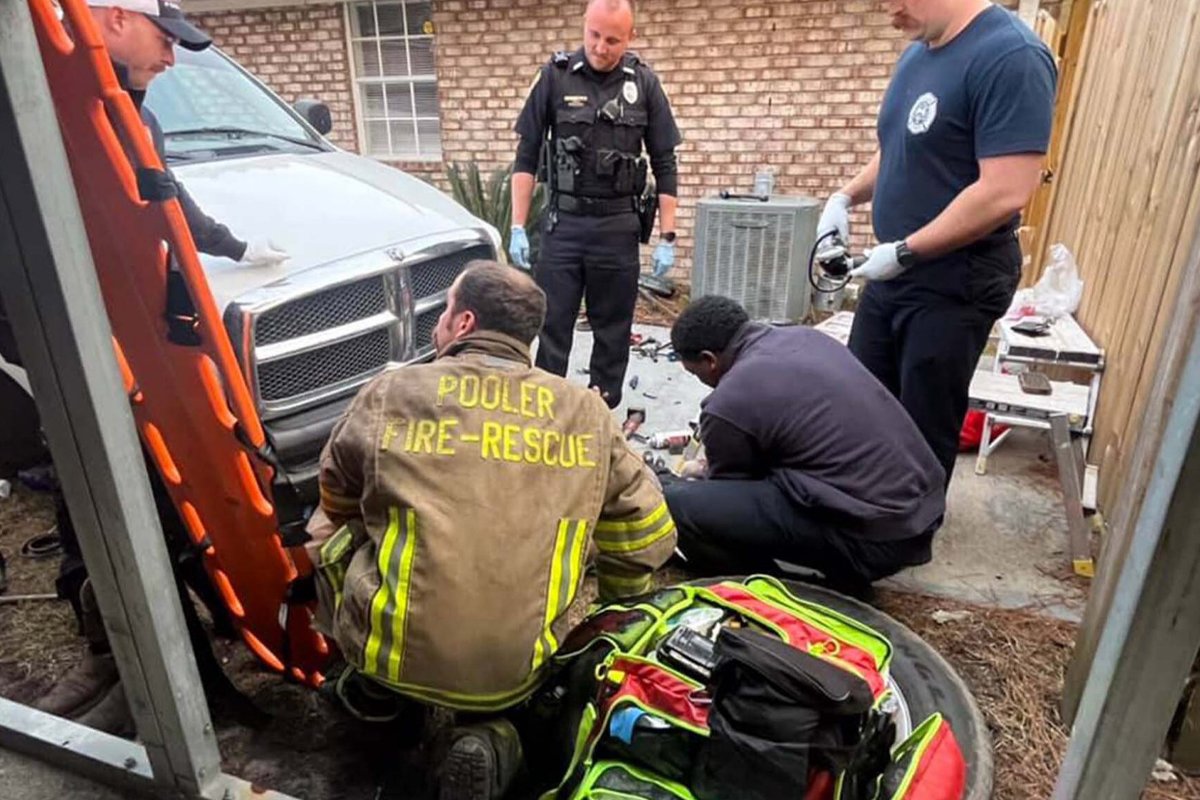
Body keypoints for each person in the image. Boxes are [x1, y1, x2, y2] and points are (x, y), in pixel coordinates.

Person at [309, 261, 676, 800]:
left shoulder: (392, 391)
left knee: (328, 532)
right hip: (516, 667)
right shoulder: (586, 412)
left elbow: (337, 496)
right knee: (508, 686)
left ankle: (376, 700)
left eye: (443, 312)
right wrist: (609, 624)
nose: (439, 325)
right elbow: (645, 529)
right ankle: (496, 736)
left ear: (463, 323)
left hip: (392, 653)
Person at [30, 0, 285, 735]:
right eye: (163, 41)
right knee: (89, 491)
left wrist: (235, 246)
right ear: (114, 19)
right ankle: (110, 652)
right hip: (69, 340)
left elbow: (163, 198)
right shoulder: (45, 104)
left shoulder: (130, 111)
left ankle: (188, 634)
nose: (172, 60)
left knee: (160, 488)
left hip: (137, 348)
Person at [817, 0, 1057, 486]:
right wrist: (844, 197)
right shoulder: (918, 53)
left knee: (921, 428)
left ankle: (912, 522)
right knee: (861, 404)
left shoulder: (1011, 57)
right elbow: (899, 146)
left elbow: (1006, 190)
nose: (887, 10)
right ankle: (860, 507)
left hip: (956, 279)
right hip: (896, 272)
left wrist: (908, 250)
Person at [663, 295, 945, 596]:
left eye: (695, 373)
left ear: (709, 360)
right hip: (920, 513)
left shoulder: (728, 401)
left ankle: (776, 592)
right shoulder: (806, 338)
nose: (701, 380)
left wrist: (685, 483)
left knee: (675, 503)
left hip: (874, 538)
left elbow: (727, 494)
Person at [509, 0, 681, 409]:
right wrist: (517, 226)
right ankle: (546, 412)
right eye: (594, 35)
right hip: (564, 226)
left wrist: (668, 236)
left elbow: (665, 163)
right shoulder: (554, 76)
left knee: (613, 332)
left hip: (618, 228)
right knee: (552, 327)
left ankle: (603, 414)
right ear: (584, 25)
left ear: (630, 37)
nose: (601, 47)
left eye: (613, 40)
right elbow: (526, 156)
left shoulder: (645, 84)